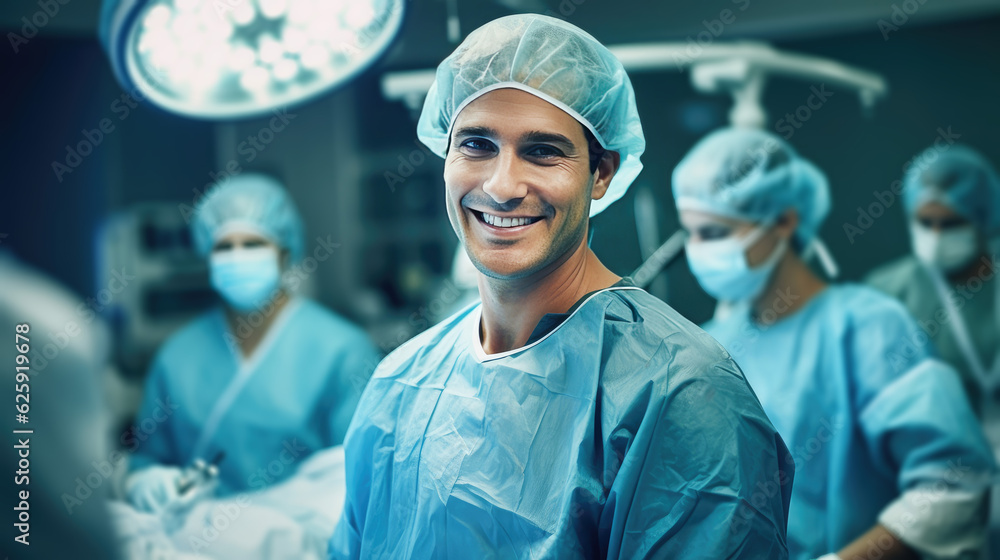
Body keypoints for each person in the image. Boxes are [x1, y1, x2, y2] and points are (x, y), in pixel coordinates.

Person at [330, 14, 794, 559]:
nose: (501, 186)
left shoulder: (680, 393)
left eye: (543, 151)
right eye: (476, 144)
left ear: (602, 173)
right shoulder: (400, 384)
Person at [671, 126, 995, 560]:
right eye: (689, 233)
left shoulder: (868, 328)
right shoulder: (710, 347)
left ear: (784, 221)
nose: (697, 250)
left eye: (713, 232)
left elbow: (955, 484)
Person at [125, 173, 380, 512]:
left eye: (253, 245)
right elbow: (147, 459)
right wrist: (148, 482)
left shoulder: (342, 351)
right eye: (224, 247)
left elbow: (363, 474)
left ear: (284, 254)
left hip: (304, 536)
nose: (237, 256)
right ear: (207, 257)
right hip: (196, 535)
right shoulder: (177, 357)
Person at [866, 144, 1000, 554]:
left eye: (952, 223)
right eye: (926, 222)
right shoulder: (887, 293)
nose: (936, 235)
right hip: (928, 473)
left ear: (984, 217)